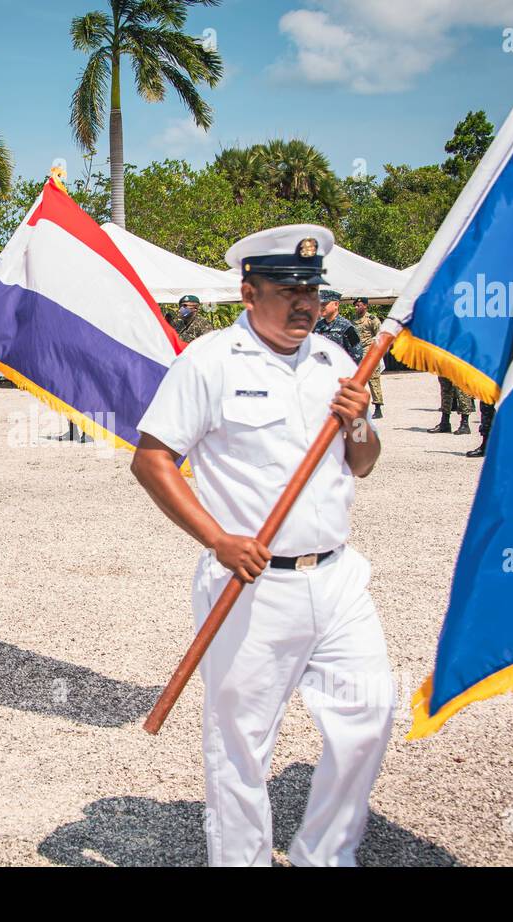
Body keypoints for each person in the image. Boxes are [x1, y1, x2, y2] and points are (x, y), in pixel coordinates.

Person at [131, 225, 394, 867]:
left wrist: (359, 418)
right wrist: (218, 539)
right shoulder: (210, 361)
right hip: (249, 585)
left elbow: (363, 463)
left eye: (313, 291)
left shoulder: (336, 361)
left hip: (337, 577)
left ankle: (324, 856)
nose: (305, 303)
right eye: (287, 290)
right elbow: (152, 458)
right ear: (249, 292)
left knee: (370, 714)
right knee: (241, 744)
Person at [352, 297, 384, 419]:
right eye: (355, 305)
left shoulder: (372, 319)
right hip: (358, 353)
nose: (356, 307)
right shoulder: (354, 320)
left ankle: (378, 408)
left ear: (365, 306)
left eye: (358, 305)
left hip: (370, 353)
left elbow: (380, 335)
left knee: (373, 379)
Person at [313, 289, 362, 363]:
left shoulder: (347, 328)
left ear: (336, 304)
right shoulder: (317, 326)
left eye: (324, 304)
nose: (320, 307)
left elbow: (357, 356)